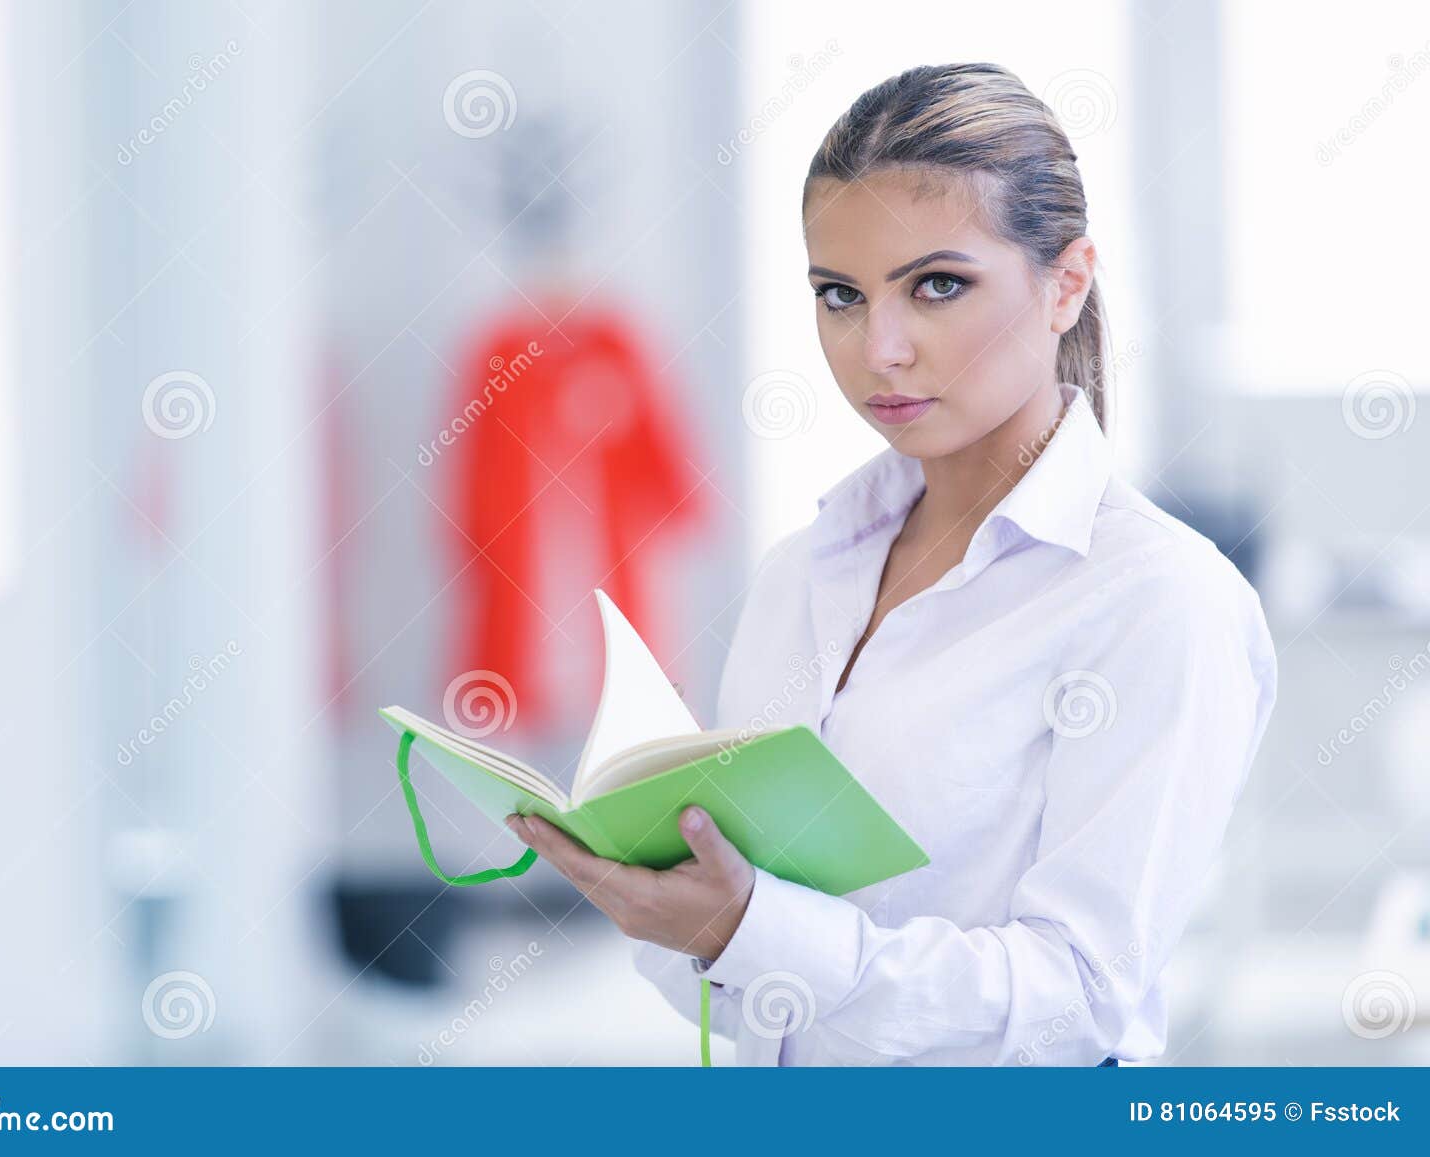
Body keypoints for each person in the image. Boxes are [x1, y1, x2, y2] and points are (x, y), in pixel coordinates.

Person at [505, 62, 1276, 1066]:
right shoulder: (804, 572)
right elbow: (747, 994)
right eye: (840, 294)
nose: (881, 349)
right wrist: (679, 906)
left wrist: (754, 928)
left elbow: (1080, 998)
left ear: (1066, 283)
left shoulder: (1157, 599)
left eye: (938, 286)